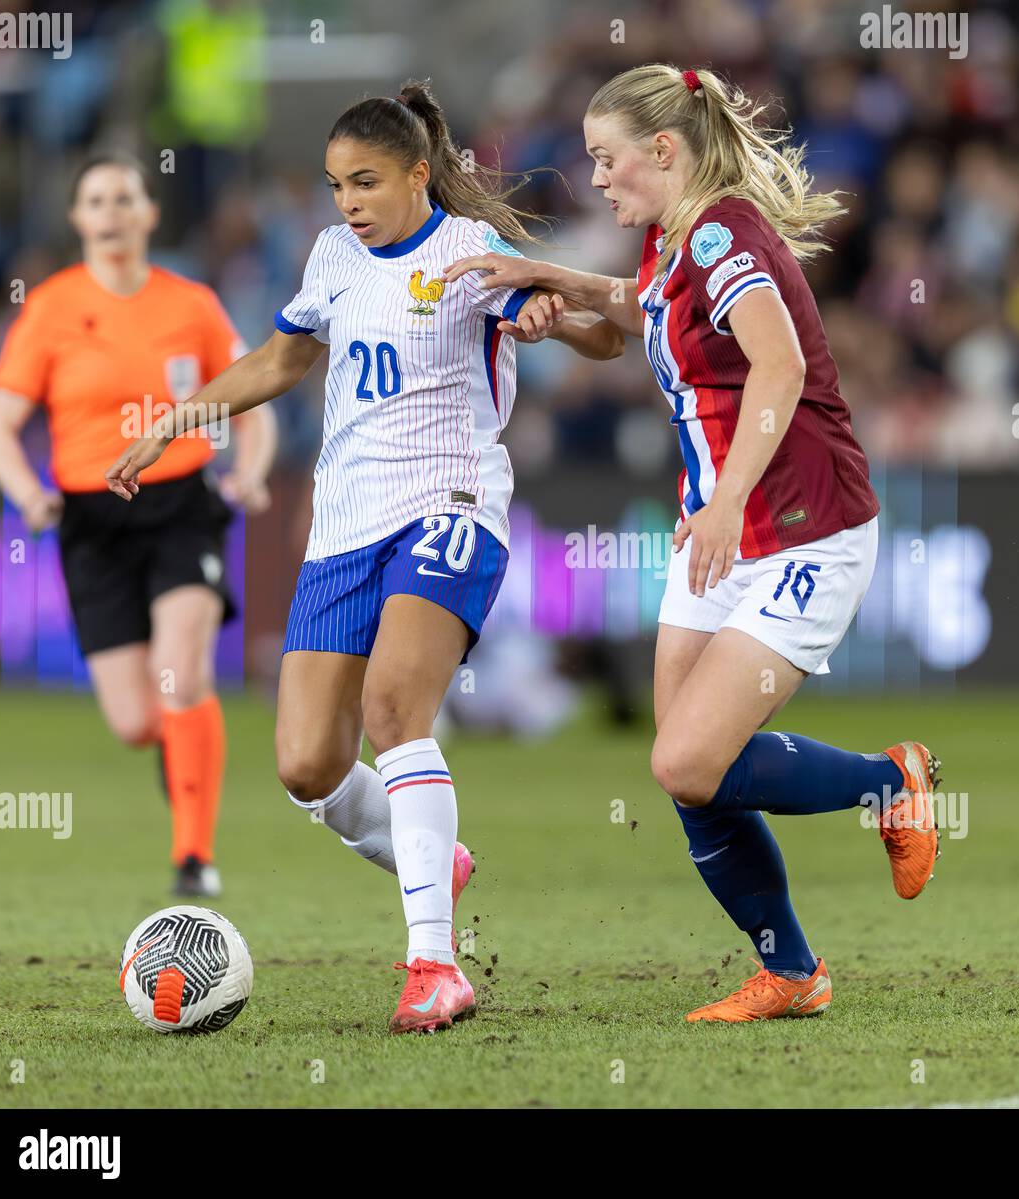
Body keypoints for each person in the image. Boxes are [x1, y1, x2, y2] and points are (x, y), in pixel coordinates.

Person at [105, 81, 623, 1033]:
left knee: (394, 708)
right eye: (338, 183)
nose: (348, 201)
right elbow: (281, 359)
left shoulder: (474, 254)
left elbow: (608, 335)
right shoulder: (335, 255)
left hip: (450, 504)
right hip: (343, 527)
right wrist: (180, 420)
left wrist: (559, 316)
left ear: (420, 174)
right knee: (307, 763)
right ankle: (428, 849)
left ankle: (435, 964)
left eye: (367, 182)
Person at [444, 64, 943, 1023]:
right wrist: (550, 274)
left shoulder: (721, 233)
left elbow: (782, 363)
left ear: (664, 151)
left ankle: (892, 781)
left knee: (686, 762)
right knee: (689, 769)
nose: (597, 180)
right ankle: (793, 972)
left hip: (803, 529)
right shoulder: (674, 241)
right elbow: (654, 313)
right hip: (724, 527)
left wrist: (727, 502)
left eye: (606, 159)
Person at [0, 153, 276, 897]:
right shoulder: (48, 307)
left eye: (125, 198)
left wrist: (254, 470)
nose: (110, 211)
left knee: (185, 674)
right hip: (90, 520)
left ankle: (194, 857)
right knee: (135, 719)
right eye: (95, 200)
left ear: (148, 214)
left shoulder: (192, 304)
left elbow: (254, 398)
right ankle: (178, 752)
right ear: (78, 219)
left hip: (180, 506)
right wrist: (30, 494)